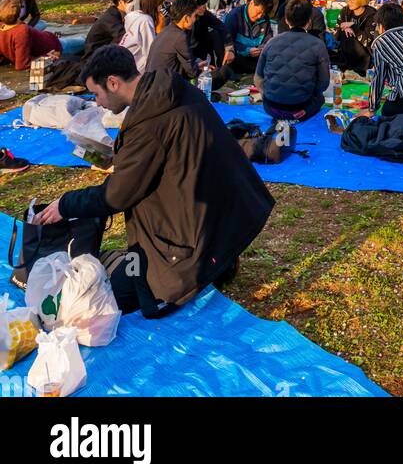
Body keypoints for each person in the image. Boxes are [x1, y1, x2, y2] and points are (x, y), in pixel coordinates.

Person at [32, 44, 273, 318]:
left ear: (113, 82)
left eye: (97, 93)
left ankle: (202, 268)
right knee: (123, 273)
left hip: (190, 234)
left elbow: (117, 196)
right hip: (224, 216)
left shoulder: (149, 122)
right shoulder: (170, 90)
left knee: (111, 299)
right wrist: (122, 157)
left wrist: (65, 204)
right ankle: (217, 262)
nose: (97, 102)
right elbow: (165, 155)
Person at [253, 0, 330, 121]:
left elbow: (257, 78)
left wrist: (269, 93)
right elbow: (323, 83)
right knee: (320, 98)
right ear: (309, 21)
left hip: (271, 107)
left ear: (287, 20)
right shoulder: (318, 45)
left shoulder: (272, 42)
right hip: (301, 109)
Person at [144, 0, 199, 79]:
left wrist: (196, 65)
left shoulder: (167, 29)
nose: (196, 19)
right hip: (162, 85)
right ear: (186, 18)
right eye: (195, 16)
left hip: (151, 80)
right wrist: (202, 70)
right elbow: (192, 72)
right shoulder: (180, 36)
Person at [0, 0, 61, 70]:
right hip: (56, 46)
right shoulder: (20, 31)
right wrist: (47, 57)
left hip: (48, 40)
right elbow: (22, 65)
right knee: (79, 41)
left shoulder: (6, 29)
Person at [221, 0, 274, 74]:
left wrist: (262, 48)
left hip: (256, 57)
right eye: (258, 12)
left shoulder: (265, 19)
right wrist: (246, 50)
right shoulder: (234, 16)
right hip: (239, 56)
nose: (260, 16)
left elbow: (269, 38)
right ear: (251, 3)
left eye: (263, 14)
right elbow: (227, 42)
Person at [333, 0, 378, 73]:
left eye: (352, 0)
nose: (348, 2)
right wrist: (343, 29)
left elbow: (368, 41)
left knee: (349, 36)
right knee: (345, 35)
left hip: (363, 56)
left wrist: (353, 27)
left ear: (361, 0)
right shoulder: (345, 11)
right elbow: (336, 37)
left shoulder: (371, 15)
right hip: (345, 53)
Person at [119, 0, 160, 71]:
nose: (161, 7)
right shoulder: (145, 20)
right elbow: (151, 51)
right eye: (160, 4)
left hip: (125, 62)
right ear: (154, 4)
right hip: (136, 68)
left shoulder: (133, 16)